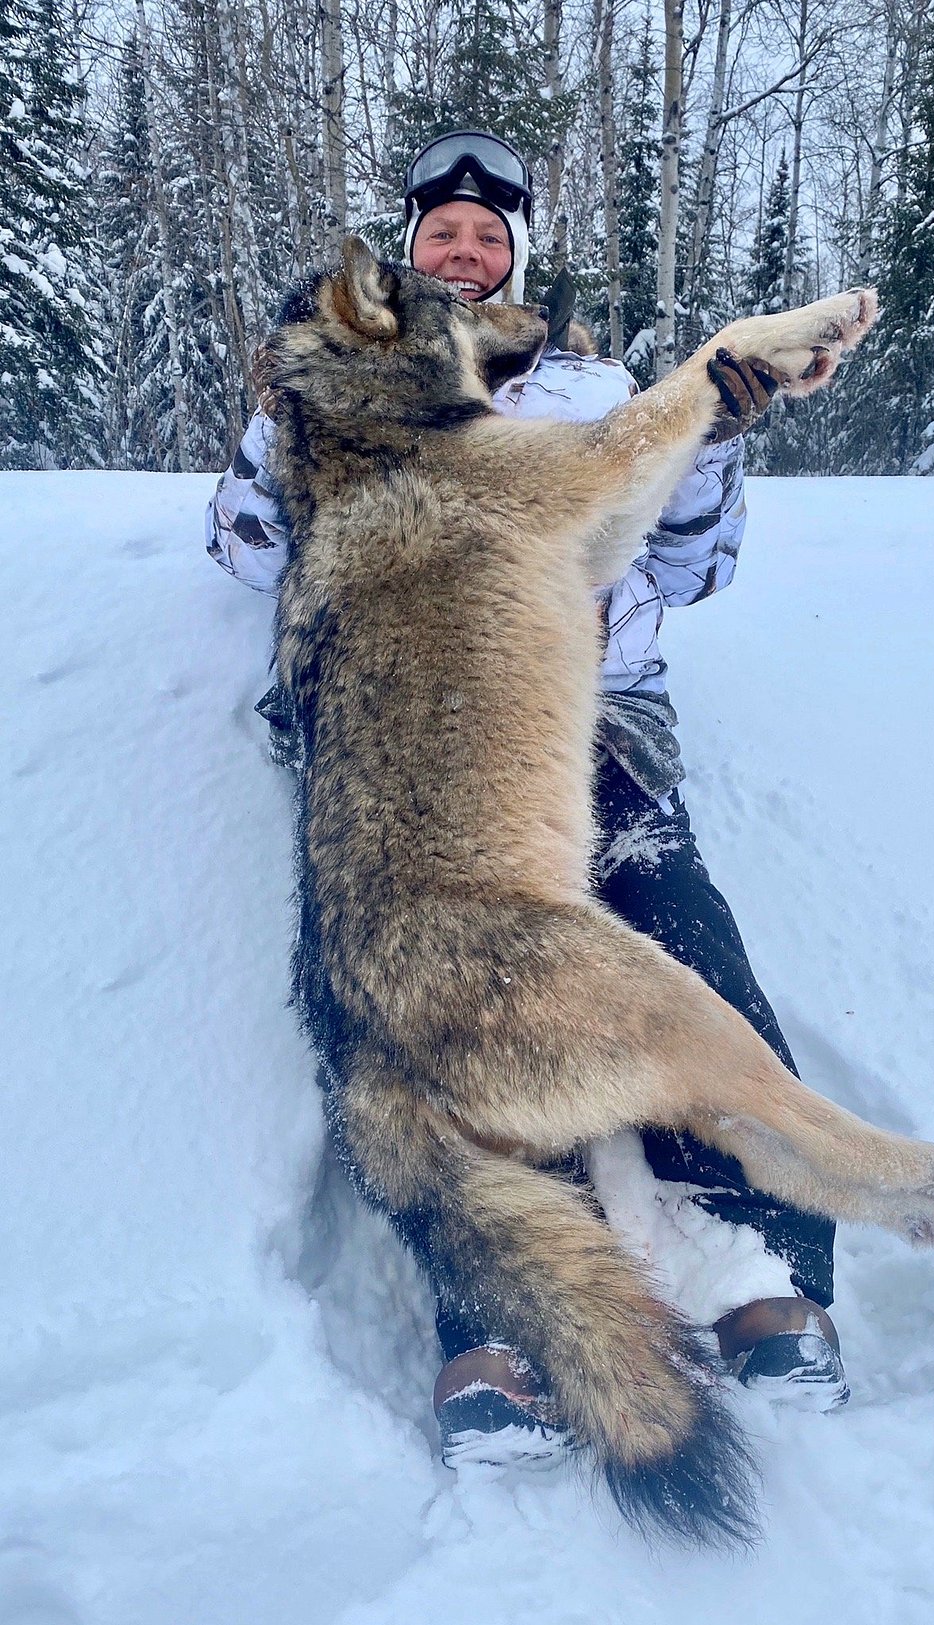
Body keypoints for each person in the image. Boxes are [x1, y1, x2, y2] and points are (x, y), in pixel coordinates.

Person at [205, 129, 849, 1469]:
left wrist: (717, 425)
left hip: (589, 706)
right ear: (411, 252)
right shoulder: (348, 369)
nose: (463, 250)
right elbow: (241, 544)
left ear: (514, 256)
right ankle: (501, 1320)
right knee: (434, 987)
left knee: (674, 916)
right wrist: (292, 412)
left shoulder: (594, 384)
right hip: (420, 724)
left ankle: (761, 1273)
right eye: (439, 234)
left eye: (487, 237)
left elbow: (691, 563)